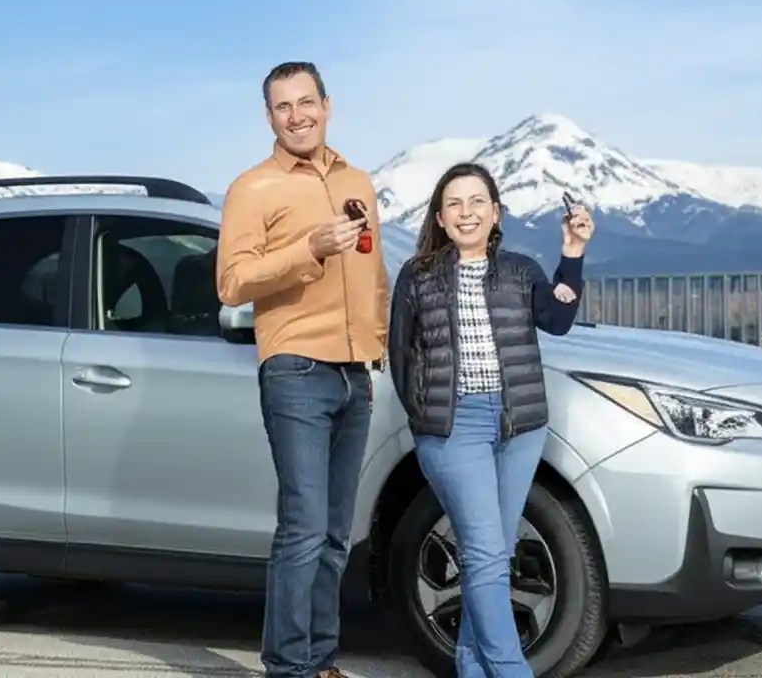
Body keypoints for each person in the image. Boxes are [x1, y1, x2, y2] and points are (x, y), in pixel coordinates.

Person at [216, 61, 390, 678]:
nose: (297, 115)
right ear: (269, 117)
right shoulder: (252, 187)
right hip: (294, 369)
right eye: (283, 106)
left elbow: (372, 273)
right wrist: (306, 250)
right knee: (304, 527)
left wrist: (381, 344)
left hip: (355, 373)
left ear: (327, 104)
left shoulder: (359, 181)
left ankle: (321, 662)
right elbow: (231, 282)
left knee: (337, 533)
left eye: (306, 102)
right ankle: (288, 667)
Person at [386, 162, 594, 676]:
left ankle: (473, 668)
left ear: (496, 212)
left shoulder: (522, 271)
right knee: (482, 551)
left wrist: (572, 254)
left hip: (518, 427)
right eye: (455, 204)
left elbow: (558, 319)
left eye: (477, 202)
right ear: (440, 215)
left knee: (494, 555)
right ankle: (512, 670)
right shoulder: (419, 275)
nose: (467, 212)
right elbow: (400, 353)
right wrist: (425, 419)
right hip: (454, 429)